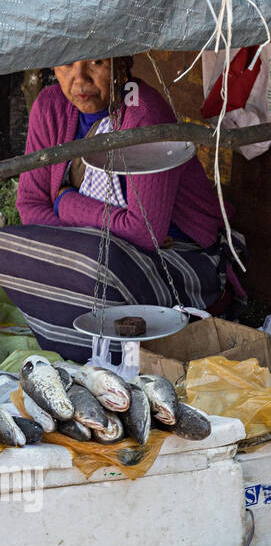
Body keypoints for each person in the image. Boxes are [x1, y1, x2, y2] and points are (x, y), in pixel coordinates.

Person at [0, 57, 245, 360]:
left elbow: (144, 232)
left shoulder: (143, 112)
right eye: (66, 66)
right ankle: (71, 343)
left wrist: (65, 202)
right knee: (7, 245)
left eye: (96, 63)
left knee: (95, 264)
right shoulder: (50, 106)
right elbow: (30, 206)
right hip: (97, 247)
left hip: (176, 254)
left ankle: (107, 357)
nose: (80, 80)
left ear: (121, 63)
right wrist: (87, 235)